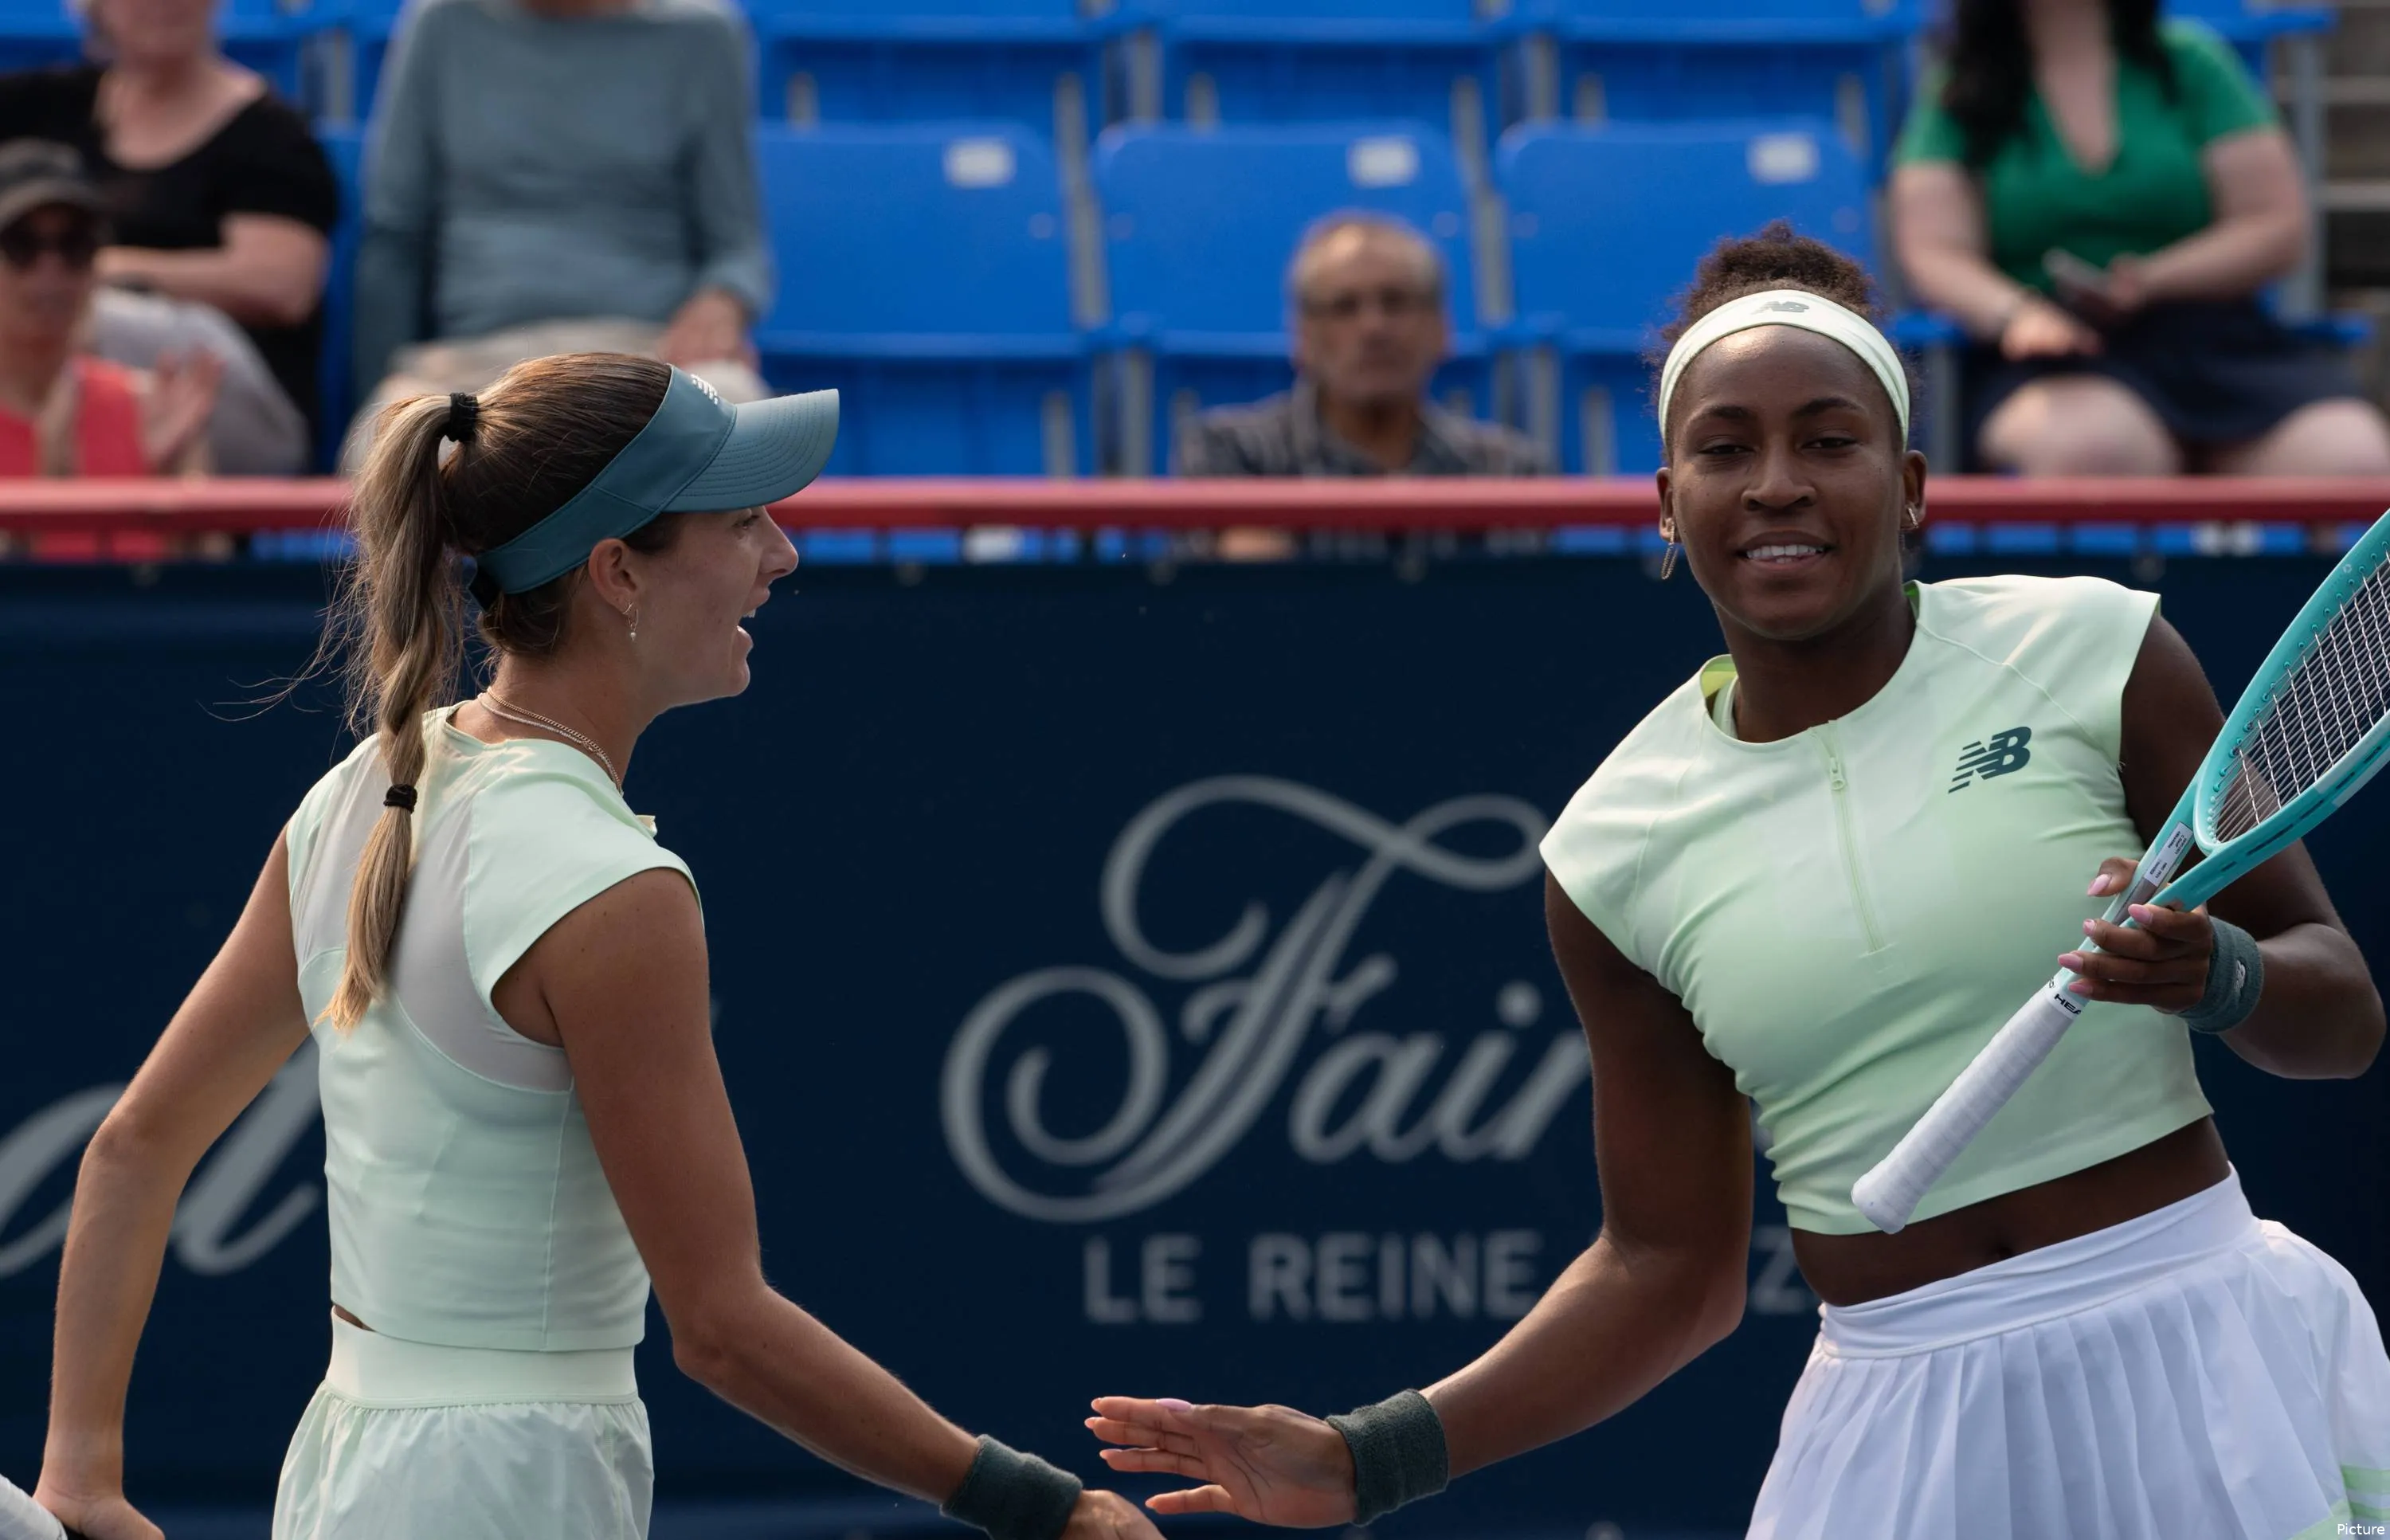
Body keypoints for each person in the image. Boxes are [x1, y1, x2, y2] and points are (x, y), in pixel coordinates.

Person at [1087, 227, 2390, 1536]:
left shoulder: (2096, 650)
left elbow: (2340, 1017)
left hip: (2203, 1348)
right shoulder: (1613, 848)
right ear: (1666, 502)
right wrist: (1372, 1455)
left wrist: (2221, 974)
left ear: (1913, 485)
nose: (1776, 484)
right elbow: (1668, 1266)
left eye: (1830, 440)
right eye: (1725, 449)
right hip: (1897, 1420)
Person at [30, 352, 1160, 1540]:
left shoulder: (361, 794)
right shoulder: (613, 888)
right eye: (742, 522)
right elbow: (724, 1332)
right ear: (619, 571)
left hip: (345, 1474)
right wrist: (1049, 1508)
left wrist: (84, 1474)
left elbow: (135, 1143)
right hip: (516, 1493)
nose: (782, 555)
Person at [1890, 0, 2390, 476]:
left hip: (2215, 341)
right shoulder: (1964, 87)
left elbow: (2275, 224)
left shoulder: (2191, 62)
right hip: (2055, 358)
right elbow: (1936, 250)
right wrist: (2017, 314)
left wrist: (2153, 280)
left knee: (2352, 456)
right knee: (2095, 449)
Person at [347, 0, 774, 465]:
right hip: (473, 368)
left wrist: (723, 301)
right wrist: (386, 383)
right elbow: (394, 237)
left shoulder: (705, 37)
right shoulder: (440, 23)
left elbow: (737, 246)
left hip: (649, 364)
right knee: (388, 451)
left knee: (737, 420)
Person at [0, 0, 337, 469]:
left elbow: (283, 284)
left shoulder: (272, 136)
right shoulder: (41, 105)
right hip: (52, 391)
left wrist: (116, 270)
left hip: (233, 406)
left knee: (62, 302)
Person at [1175, 213, 1549, 477]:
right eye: (1344, 308)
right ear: (1303, 336)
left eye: (1396, 302)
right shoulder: (1234, 457)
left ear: (1440, 328)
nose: (1374, 328)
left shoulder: (1505, 472)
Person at [0, 139, 217, 480]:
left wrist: (174, 486)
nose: (51, 269)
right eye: (21, 244)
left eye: (74, 244)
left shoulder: (148, 409)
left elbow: (206, 536)